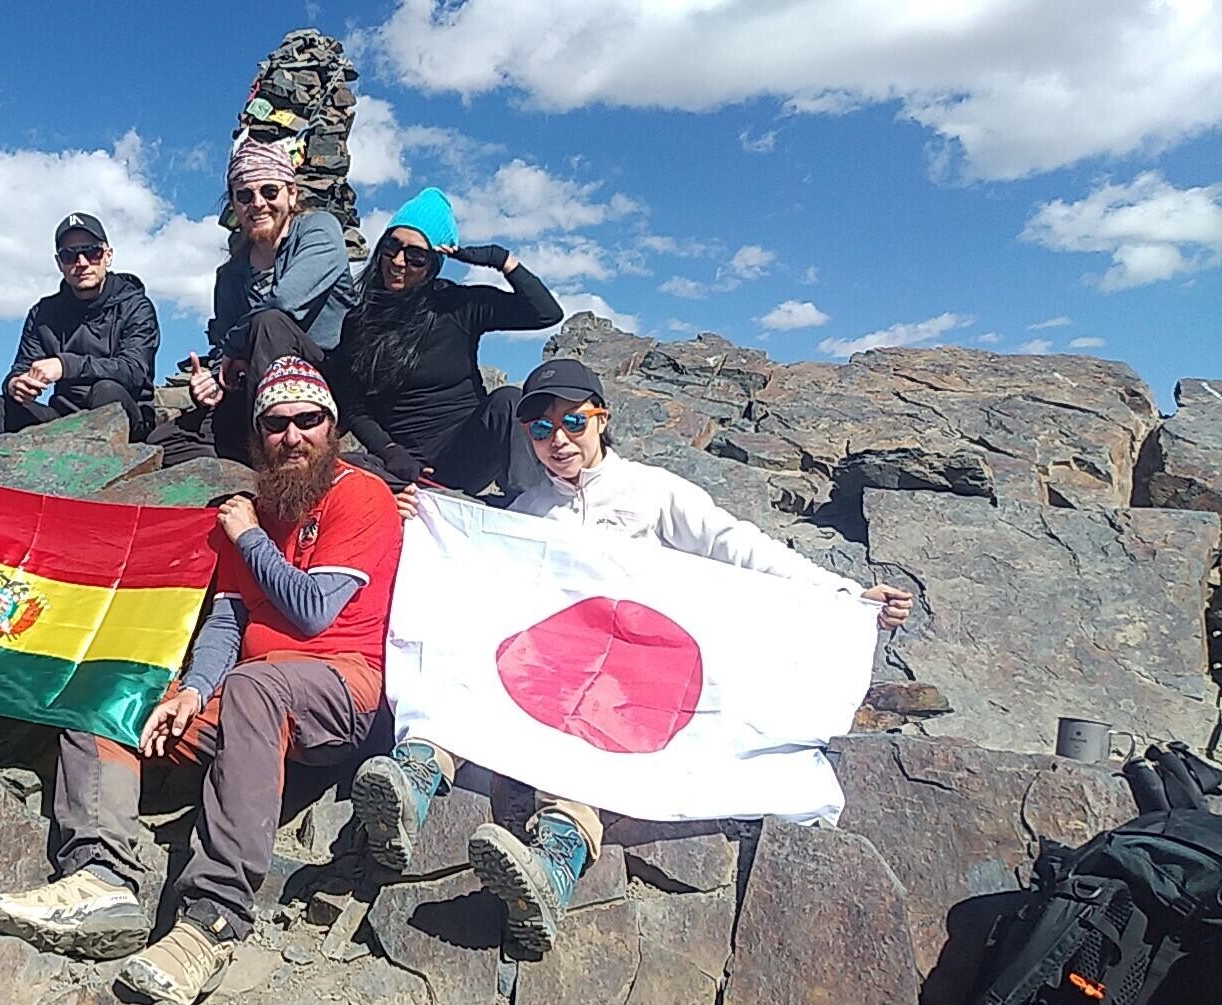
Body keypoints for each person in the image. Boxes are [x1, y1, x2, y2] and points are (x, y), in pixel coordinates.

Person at [351, 358, 915, 953]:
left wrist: (843, 596)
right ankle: (414, 781)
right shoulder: (527, 513)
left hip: (632, 678)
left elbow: (739, 547)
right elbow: (477, 574)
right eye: (540, 431)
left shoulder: (653, 491)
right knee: (466, 665)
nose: (557, 441)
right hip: (552, 662)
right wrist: (423, 523)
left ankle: (553, 866)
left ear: (602, 419)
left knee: (595, 746)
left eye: (572, 422)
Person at [0, 359, 401, 1005]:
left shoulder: (357, 495)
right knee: (112, 691)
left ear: (332, 427)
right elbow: (227, 626)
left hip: (340, 688)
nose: (293, 436)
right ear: (259, 434)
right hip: (249, 695)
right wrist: (191, 691)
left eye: (308, 421)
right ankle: (100, 875)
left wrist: (251, 537)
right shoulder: (253, 512)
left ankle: (213, 919)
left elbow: (314, 610)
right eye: (276, 424)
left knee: (260, 687)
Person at [327, 187, 563, 501]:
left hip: (465, 456)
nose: (398, 262)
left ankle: (529, 506)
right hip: (401, 465)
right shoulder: (358, 322)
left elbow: (546, 313)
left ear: (434, 263)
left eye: (415, 256)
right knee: (342, 470)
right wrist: (390, 451)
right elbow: (355, 406)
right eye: (391, 247)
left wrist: (501, 260)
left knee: (509, 400)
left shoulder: (456, 305)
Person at [148, 137, 360, 467]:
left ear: (292, 194)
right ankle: (244, 465)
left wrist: (233, 348)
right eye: (244, 195)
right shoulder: (231, 275)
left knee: (269, 323)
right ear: (234, 204)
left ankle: (274, 457)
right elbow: (225, 350)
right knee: (163, 442)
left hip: (325, 383)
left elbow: (285, 302)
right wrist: (212, 379)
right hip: (256, 392)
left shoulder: (320, 231)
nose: (257, 203)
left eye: (269, 192)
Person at [0, 213, 160, 448]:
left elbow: (134, 371)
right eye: (69, 255)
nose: (81, 262)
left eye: (92, 252)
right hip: (64, 419)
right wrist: (16, 385)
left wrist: (65, 365)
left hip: (128, 422)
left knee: (106, 390)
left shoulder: (136, 306)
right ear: (59, 263)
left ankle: (103, 475)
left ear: (108, 256)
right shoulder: (44, 313)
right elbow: (20, 368)